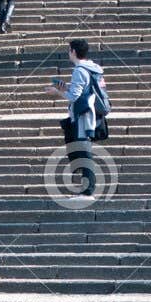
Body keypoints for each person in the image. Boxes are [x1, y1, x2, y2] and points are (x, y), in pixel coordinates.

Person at [53, 38, 108, 198]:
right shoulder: (94, 69)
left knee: (84, 152)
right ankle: (86, 189)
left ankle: (87, 190)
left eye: (69, 50)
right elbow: (85, 90)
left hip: (83, 115)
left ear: (74, 52)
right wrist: (66, 87)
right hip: (91, 113)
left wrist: (57, 92)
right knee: (83, 149)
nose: (68, 53)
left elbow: (74, 96)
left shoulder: (79, 70)